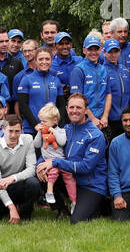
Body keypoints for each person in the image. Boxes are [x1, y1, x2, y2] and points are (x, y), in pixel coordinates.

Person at [35, 93, 108, 224]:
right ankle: (62, 209)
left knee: (77, 221)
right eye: (72, 107)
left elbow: (86, 167)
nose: (75, 111)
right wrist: (41, 164)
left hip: (91, 185)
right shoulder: (66, 130)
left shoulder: (95, 135)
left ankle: (101, 205)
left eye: (79, 108)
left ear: (86, 110)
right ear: (67, 109)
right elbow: (50, 152)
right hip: (71, 179)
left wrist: (55, 162)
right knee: (43, 173)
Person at [0, 114, 41, 222]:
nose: (13, 135)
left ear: (22, 129)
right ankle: (6, 210)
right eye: (10, 131)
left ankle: (25, 213)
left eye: (17, 131)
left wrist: (12, 178)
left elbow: (31, 170)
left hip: (18, 182)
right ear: (3, 129)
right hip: (1, 184)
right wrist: (11, 206)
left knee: (34, 183)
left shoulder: (28, 139)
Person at [70, 35, 114, 132]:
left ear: (101, 50)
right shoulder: (79, 70)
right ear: (84, 50)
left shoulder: (103, 69)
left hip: (102, 121)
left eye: (96, 49)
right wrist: (92, 118)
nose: (93, 52)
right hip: (84, 120)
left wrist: (105, 116)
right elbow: (77, 99)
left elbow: (108, 94)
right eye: (90, 49)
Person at [33, 103, 72, 210]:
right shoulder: (42, 132)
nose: (42, 123)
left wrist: (54, 131)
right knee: (47, 174)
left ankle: (73, 201)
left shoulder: (61, 131)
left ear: (55, 120)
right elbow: (36, 145)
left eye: (44, 121)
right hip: (47, 161)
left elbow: (62, 142)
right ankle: (54, 200)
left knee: (70, 181)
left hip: (59, 161)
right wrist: (38, 133)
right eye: (41, 121)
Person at [18, 48, 61, 131]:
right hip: (31, 129)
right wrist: (35, 125)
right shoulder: (26, 79)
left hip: (51, 130)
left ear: (51, 61)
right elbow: (23, 105)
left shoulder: (56, 80)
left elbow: (61, 105)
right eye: (41, 59)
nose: (44, 62)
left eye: (47, 59)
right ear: (35, 61)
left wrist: (56, 125)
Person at [103, 38, 130, 140]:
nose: (113, 54)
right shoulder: (102, 70)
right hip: (110, 120)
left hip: (126, 119)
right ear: (104, 52)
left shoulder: (124, 69)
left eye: (116, 51)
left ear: (120, 51)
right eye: (110, 51)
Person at [48, 32, 78, 100]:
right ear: (55, 45)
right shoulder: (51, 65)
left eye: (67, 43)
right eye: (61, 44)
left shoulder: (79, 60)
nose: (65, 46)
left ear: (71, 45)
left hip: (78, 102)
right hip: (60, 102)